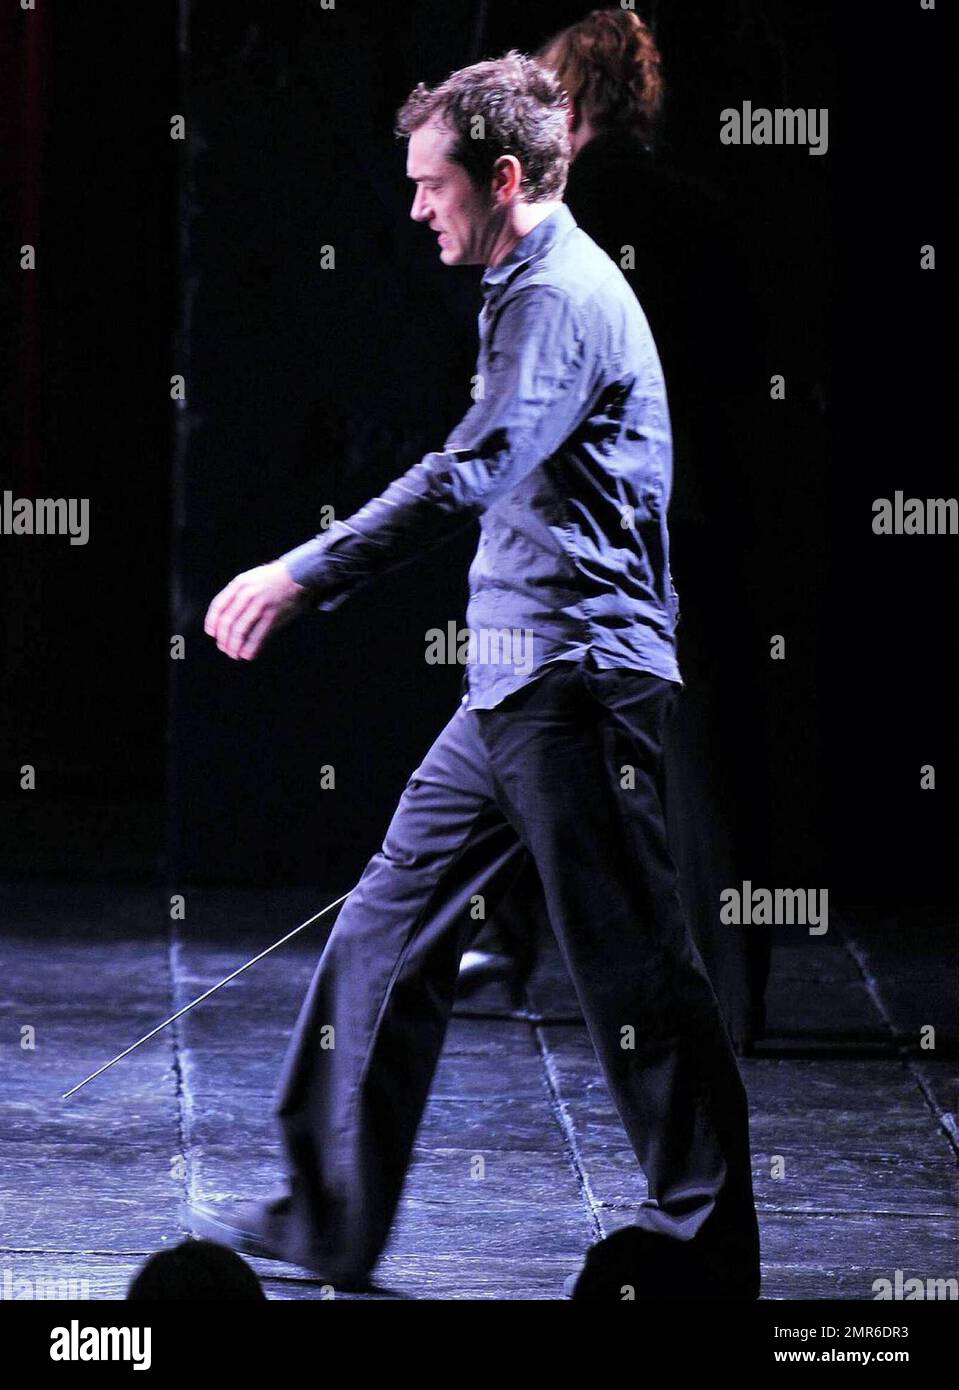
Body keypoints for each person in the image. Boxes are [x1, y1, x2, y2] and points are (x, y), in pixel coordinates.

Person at [189, 50, 761, 1298]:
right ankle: (328, 1212)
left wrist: (305, 571)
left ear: (501, 178)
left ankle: (706, 1245)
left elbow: (470, 468)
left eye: (429, 183)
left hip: (578, 687)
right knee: (382, 932)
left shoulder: (556, 294)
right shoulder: (521, 283)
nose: (413, 208)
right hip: (512, 687)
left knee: (634, 974)